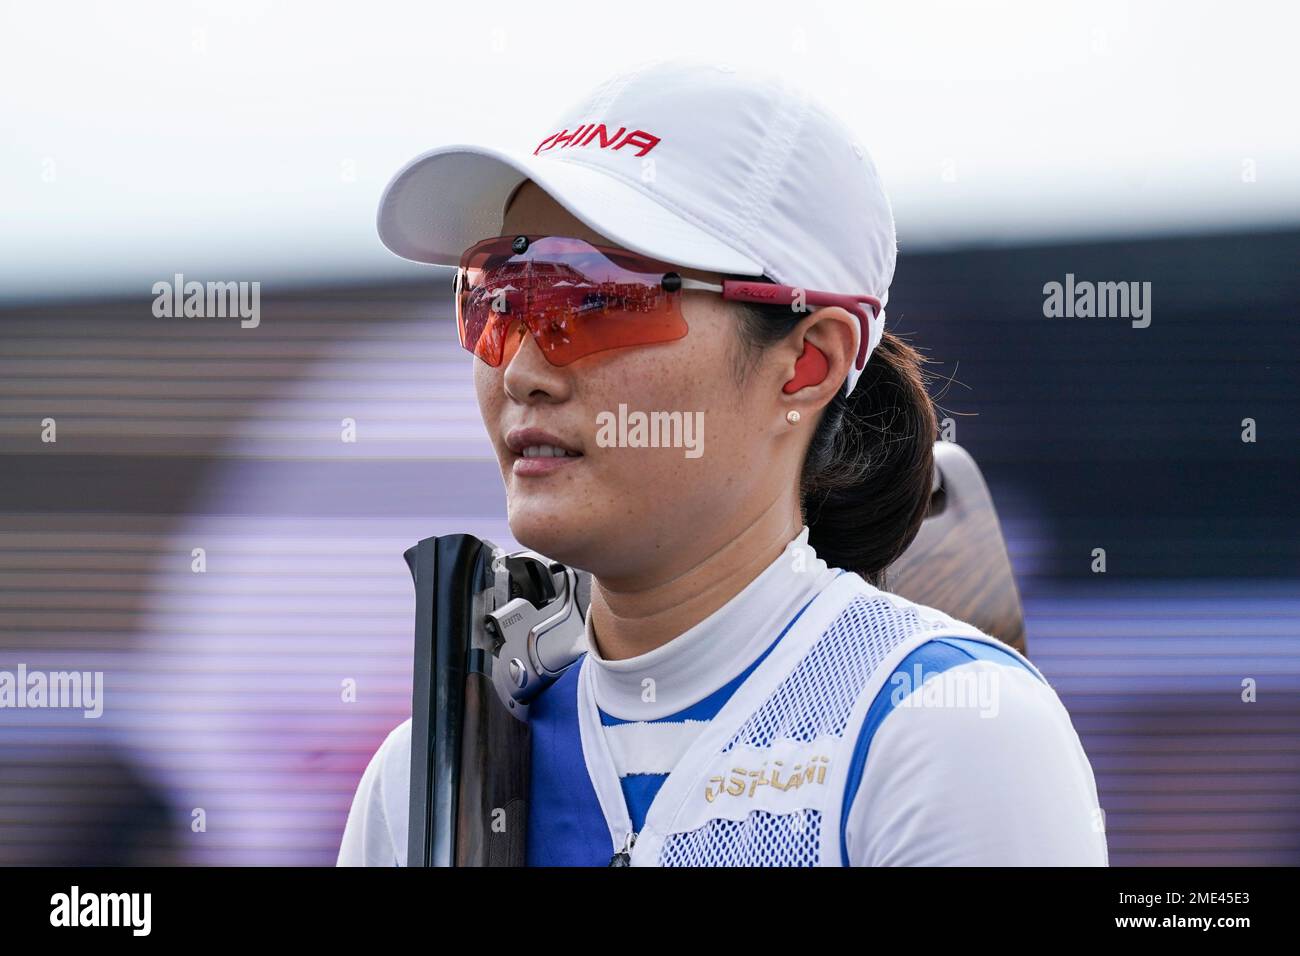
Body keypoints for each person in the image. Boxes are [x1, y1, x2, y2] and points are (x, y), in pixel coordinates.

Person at [337, 56, 1108, 867]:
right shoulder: (422, 786)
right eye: (501, 295)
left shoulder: (945, 729)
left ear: (807, 363)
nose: (523, 368)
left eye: (598, 297)